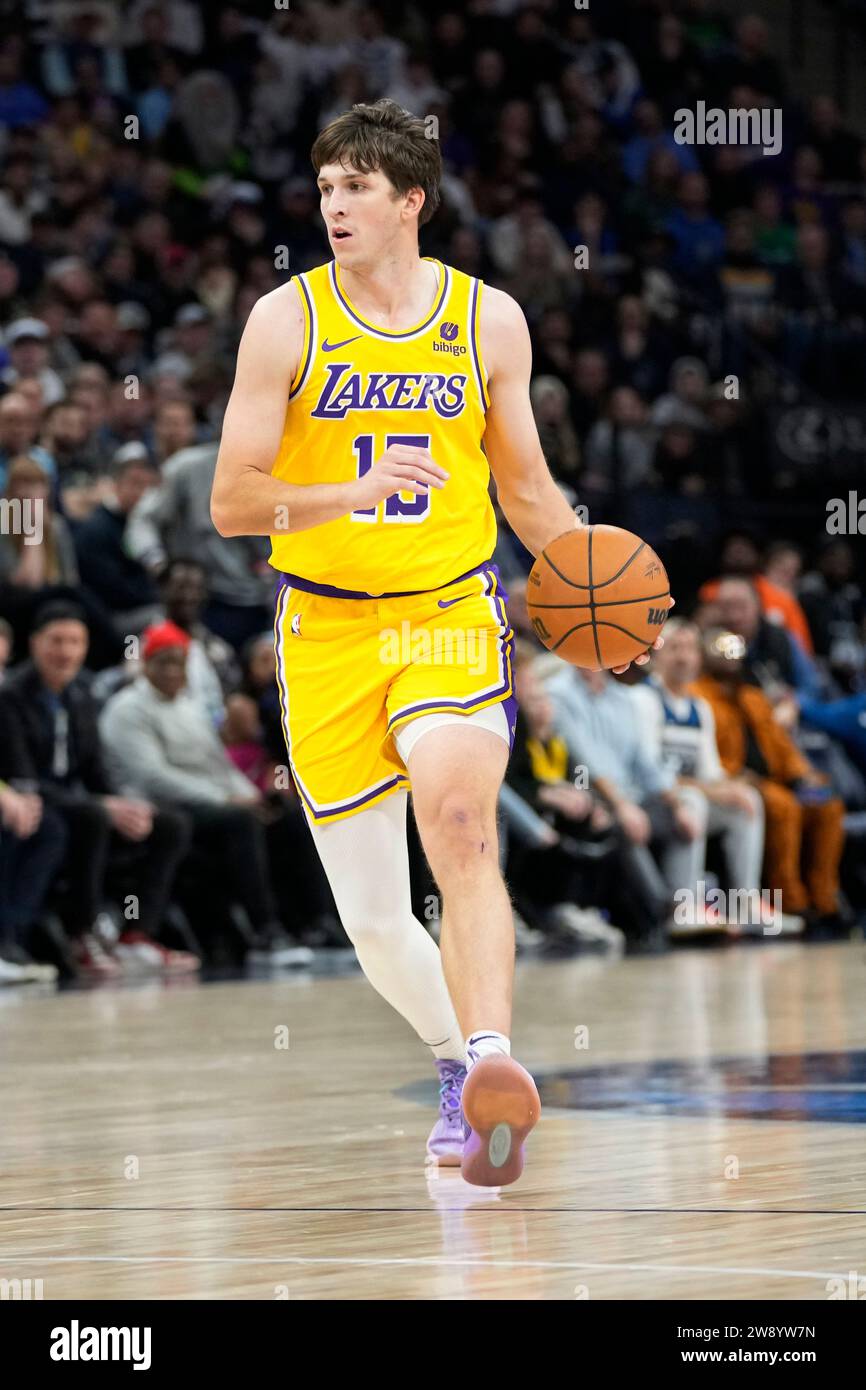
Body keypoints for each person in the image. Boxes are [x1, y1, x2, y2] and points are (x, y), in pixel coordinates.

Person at [209, 98, 662, 1187]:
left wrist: (608, 594)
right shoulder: (285, 318)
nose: (333, 205)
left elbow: (525, 490)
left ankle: (497, 1057)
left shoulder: (487, 319)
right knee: (371, 921)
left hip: (449, 612)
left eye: (355, 186)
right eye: (323, 189)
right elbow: (233, 502)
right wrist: (350, 490)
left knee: (459, 823)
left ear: (411, 198)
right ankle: (457, 1060)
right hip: (322, 625)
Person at [98, 620, 312, 967]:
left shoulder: (190, 707)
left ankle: (313, 924)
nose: (171, 670)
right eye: (162, 661)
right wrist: (225, 799)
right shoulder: (127, 709)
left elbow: (220, 766)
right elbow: (153, 777)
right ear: (146, 664)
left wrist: (252, 795)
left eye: (178, 662)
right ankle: (265, 932)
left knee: (286, 816)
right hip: (158, 808)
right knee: (241, 822)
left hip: (208, 804)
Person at [0, 602, 196, 979]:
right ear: (35, 643)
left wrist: (122, 803)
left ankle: (137, 933)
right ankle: (82, 932)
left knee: (168, 824)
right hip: (42, 803)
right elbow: (25, 779)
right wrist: (102, 805)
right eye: (56, 641)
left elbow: (95, 771)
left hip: (77, 803)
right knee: (90, 818)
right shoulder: (12, 697)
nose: (66, 651)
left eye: (75, 641)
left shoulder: (83, 693)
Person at [632, 619, 803, 935]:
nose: (683, 657)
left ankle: (746, 903)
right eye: (674, 649)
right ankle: (682, 907)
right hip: (647, 803)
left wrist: (733, 788)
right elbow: (650, 773)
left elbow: (710, 772)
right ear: (657, 656)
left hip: (685, 800)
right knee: (694, 799)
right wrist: (710, 791)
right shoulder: (643, 700)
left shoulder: (700, 707)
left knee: (745, 802)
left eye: (689, 649)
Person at [691, 628, 846, 926]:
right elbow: (708, 754)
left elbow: (780, 744)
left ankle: (826, 900)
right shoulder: (700, 696)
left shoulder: (753, 697)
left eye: (732, 650)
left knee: (828, 806)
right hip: (738, 781)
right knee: (783, 806)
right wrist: (732, 776)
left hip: (775, 779)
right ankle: (790, 901)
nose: (728, 657)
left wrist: (804, 773)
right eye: (719, 650)